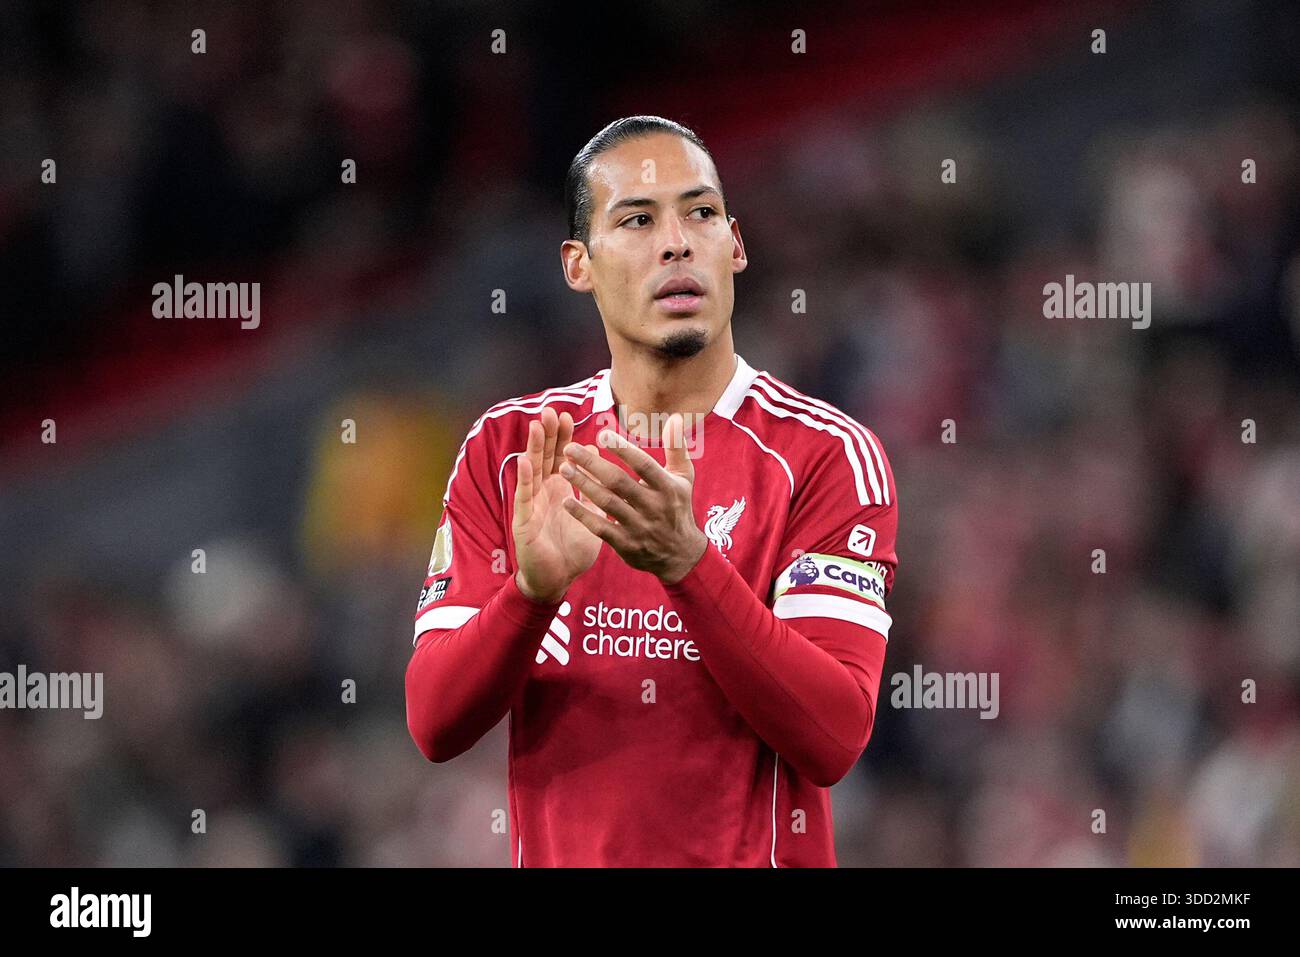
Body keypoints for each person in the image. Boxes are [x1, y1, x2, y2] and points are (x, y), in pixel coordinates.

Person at [405, 115, 899, 866]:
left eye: (700, 213)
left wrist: (689, 565)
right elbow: (435, 722)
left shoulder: (826, 455)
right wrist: (530, 595)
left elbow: (833, 736)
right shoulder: (511, 452)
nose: (677, 242)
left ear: (734, 245)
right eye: (637, 220)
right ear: (578, 264)